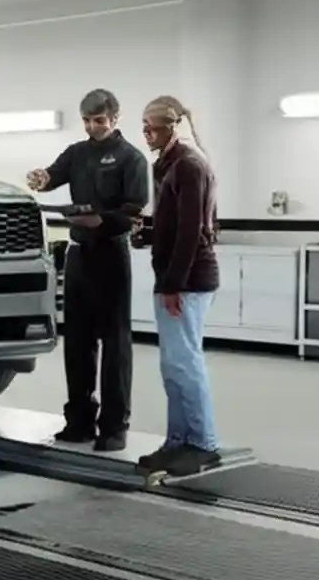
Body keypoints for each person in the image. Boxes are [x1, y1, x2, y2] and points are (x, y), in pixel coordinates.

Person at [27, 89, 149, 452]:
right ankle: (78, 421)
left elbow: (133, 211)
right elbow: (51, 176)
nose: (92, 127)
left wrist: (103, 220)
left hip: (111, 253)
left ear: (115, 118)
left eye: (99, 121)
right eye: (86, 121)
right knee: (77, 342)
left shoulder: (132, 158)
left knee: (115, 343)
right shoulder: (77, 153)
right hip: (79, 254)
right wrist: (40, 177)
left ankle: (114, 427)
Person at [137, 95, 221, 476]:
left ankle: (203, 443)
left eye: (152, 127)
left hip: (188, 280)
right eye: (144, 127)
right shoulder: (167, 165)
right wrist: (147, 232)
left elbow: (191, 232)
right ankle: (177, 440)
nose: (146, 134)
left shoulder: (189, 165)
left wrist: (172, 284)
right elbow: (171, 224)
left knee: (185, 363)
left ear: (172, 127)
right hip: (172, 277)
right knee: (172, 365)